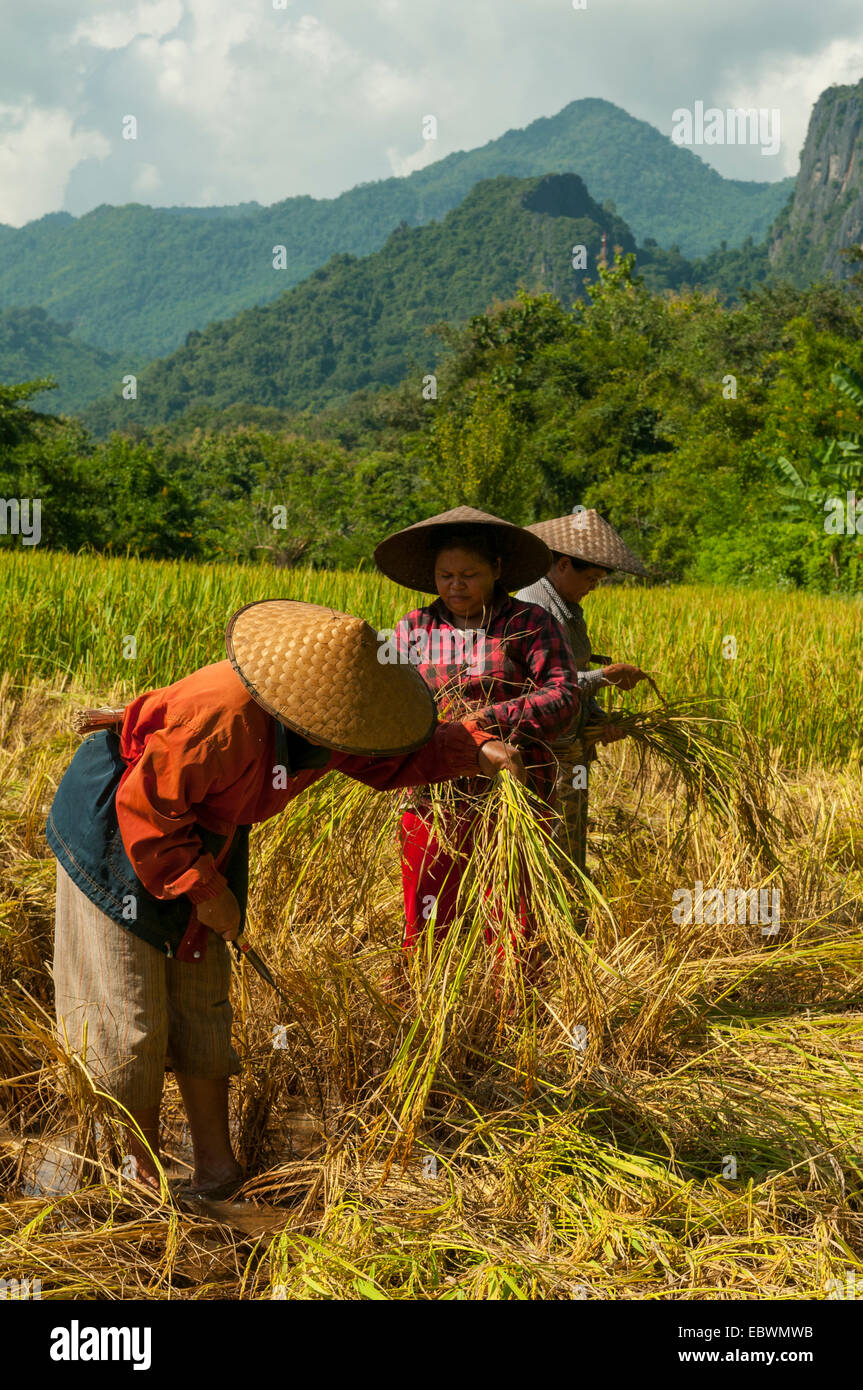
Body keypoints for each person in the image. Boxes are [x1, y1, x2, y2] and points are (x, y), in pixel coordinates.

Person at [46, 598, 520, 1199]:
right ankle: (131, 1179)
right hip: (124, 826)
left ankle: (217, 1170)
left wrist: (474, 749)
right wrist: (204, 890)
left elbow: (396, 756)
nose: (350, 738)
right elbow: (150, 812)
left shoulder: (338, 718)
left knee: (201, 1002)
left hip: (209, 831)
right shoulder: (220, 719)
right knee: (127, 1018)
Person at [373, 506, 580, 957]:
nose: (456, 585)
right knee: (426, 917)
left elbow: (564, 695)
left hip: (512, 791)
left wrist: (487, 722)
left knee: (512, 917)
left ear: (498, 570)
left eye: (469, 574)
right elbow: (392, 701)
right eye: (446, 575)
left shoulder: (530, 623)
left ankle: (513, 1017)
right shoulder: (414, 628)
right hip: (431, 793)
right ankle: (427, 1007)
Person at [515, 509, 650, 874]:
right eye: (589, 577)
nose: (593, 586)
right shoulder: (534, 608)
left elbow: (574, 678)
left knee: (571, 842)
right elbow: (544, 688)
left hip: (572, 745)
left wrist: (597, 720)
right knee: (548, 843)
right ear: (561, 566)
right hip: (545, 751)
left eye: (598, 580)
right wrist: (605, 677)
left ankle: (571, 915)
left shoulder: (570, 609)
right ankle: (545, 924)